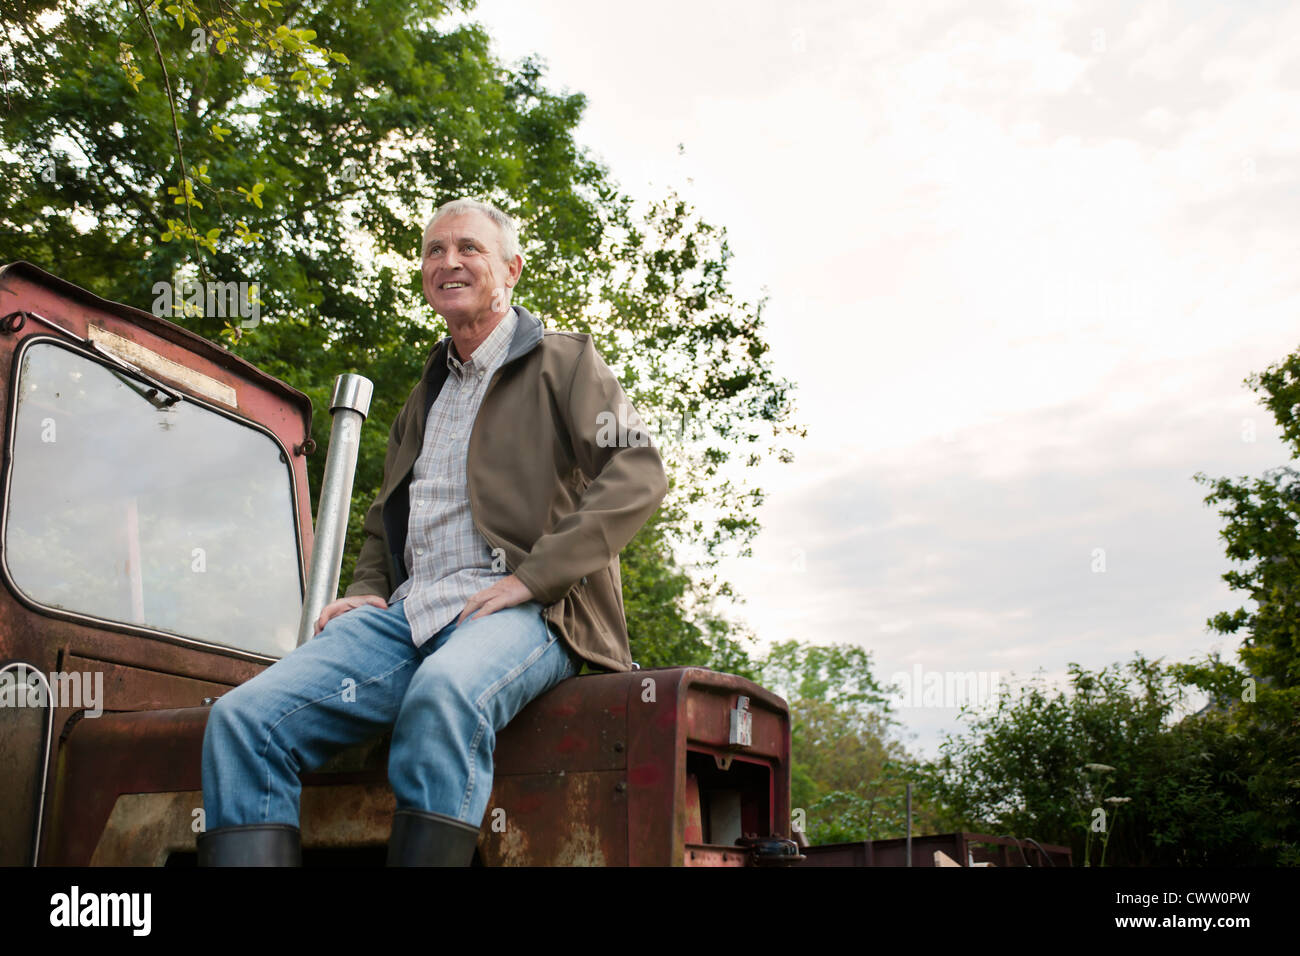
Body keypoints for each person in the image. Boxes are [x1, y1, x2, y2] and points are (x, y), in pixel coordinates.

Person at [198, 197, 669, 866]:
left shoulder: (566, 364)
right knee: (243, 722)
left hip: (532, 612)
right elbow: (382, 516)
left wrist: (531, 578)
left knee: (443, 695)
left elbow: (638, 471)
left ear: (512, 270)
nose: (448, 261)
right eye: (434, 250)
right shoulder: (424, 397)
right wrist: (366, 586)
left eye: (468, 248)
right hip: (408, 617)